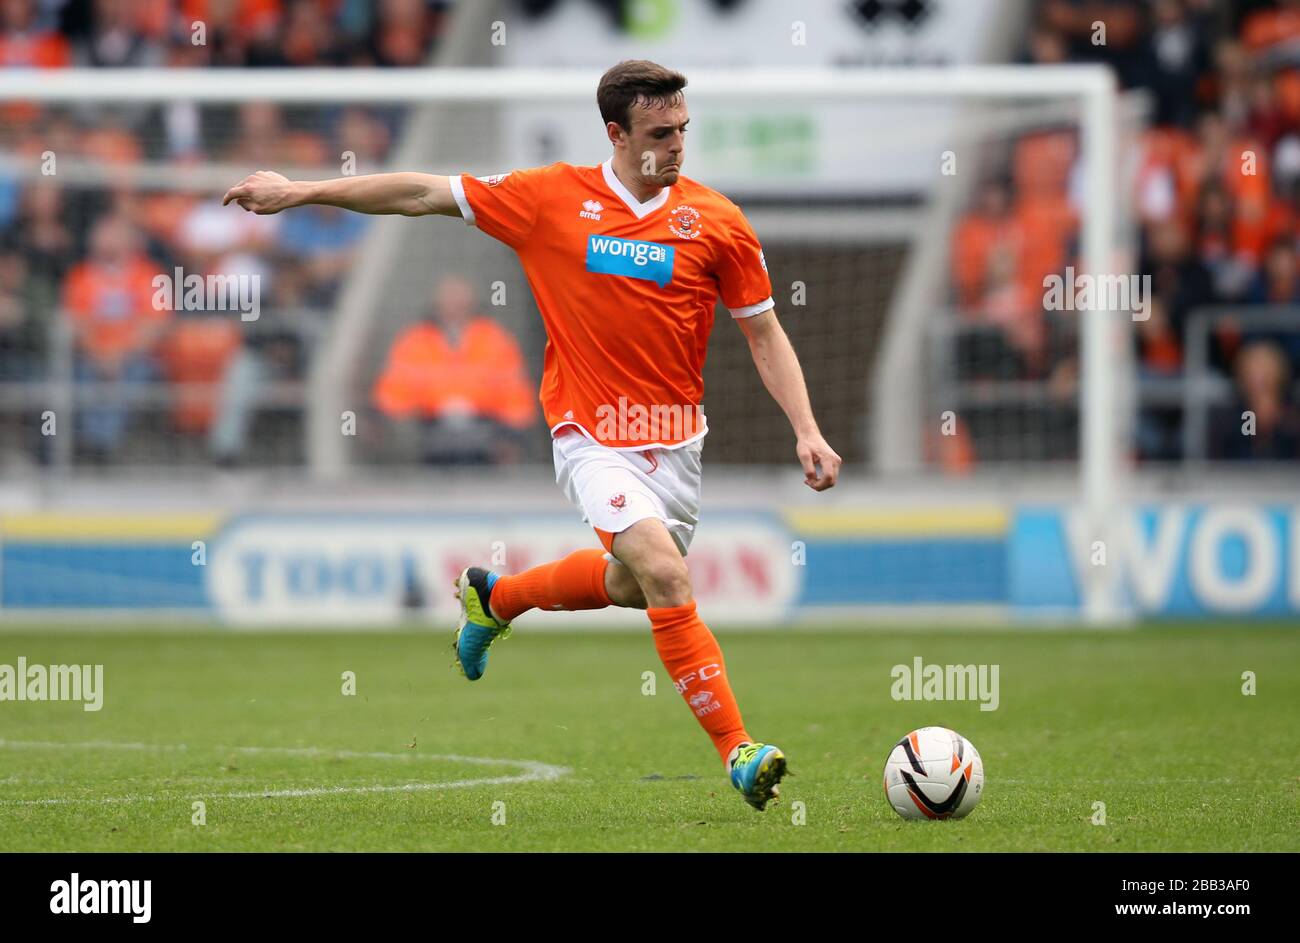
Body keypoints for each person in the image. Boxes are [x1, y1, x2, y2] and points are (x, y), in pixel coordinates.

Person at [223, 60, 842, 813]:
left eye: (683, 129)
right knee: (668, 578)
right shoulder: (548, 198)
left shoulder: (718, 222)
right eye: (659, 133)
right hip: (589, 432)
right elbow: (423, 193)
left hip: (677, 443)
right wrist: (301, 191)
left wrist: (806, 428)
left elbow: (764, 334)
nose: (677, 145)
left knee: (630, 584)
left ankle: (498, 598)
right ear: (616, 134)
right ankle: (739, 752)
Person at [373, 275, 536, 465]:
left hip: (486, 430)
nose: (454, 306)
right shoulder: (414, 342)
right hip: (428, 430)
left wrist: (512, 433)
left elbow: (516, 394)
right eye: (449, 300)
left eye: (460, 300)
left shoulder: (495, 339)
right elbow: (392, 395)